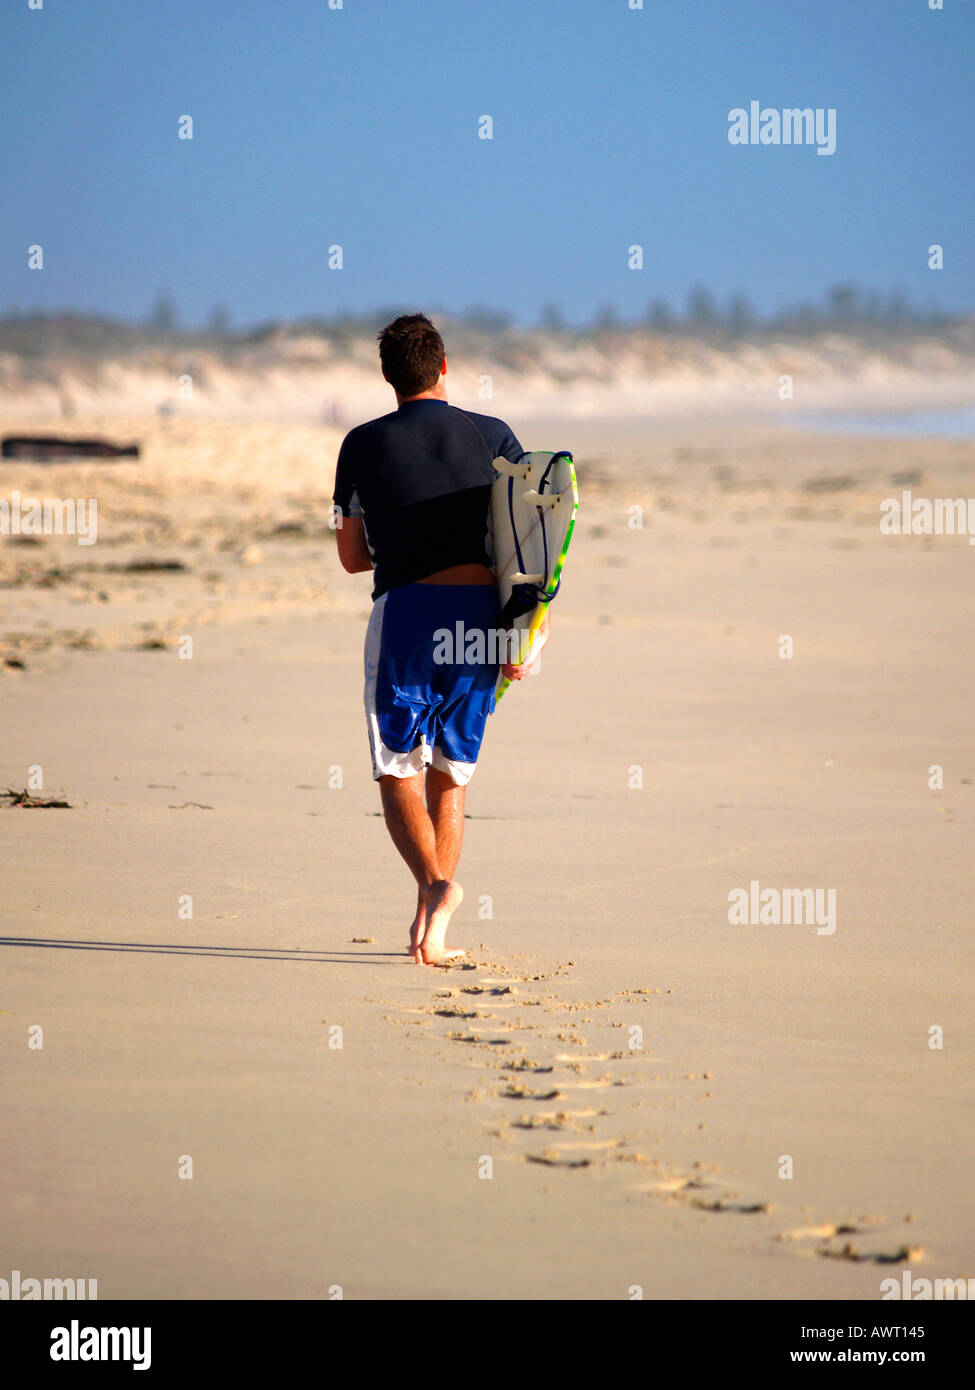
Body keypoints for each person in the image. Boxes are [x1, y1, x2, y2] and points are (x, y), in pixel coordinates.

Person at [332, 313, 548, 965]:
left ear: (386, 377)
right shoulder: (495, 435)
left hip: (407, 614)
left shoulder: (361, 445)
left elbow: (349, 556)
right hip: (483, 616)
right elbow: (531, 545)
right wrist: (524, 637)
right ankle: (432, 929)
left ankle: (436, 886)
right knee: (450, 773)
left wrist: (400, 545)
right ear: (444, 368)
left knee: (397, 766)